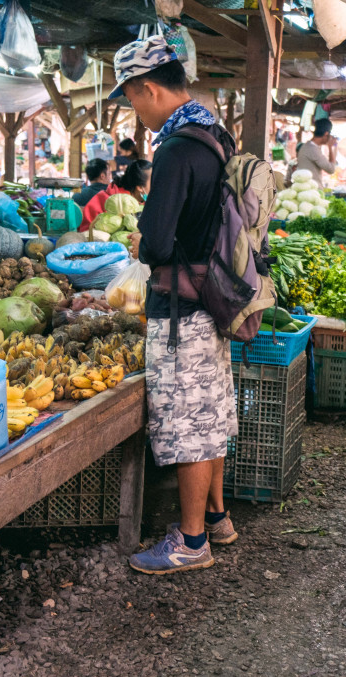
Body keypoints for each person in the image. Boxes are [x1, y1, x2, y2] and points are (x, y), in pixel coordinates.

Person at [113, 36, 238, 575]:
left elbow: (159, 243)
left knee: (188, 425)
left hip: (180, 307)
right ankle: (217, 520)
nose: (135, 111)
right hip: (212, 298)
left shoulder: (175, 148)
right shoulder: (212, 134)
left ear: (148, 88)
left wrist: (143, 241)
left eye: (133, 99)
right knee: (210, 415)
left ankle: (190, 543)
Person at [81, 159, 152, 230]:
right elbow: (87, 231)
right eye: (153, 182)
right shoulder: (105, 199)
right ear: (140, 187)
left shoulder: (147, 203)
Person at [295, 119, 336, 187]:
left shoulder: (308, 146)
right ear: (326, 134)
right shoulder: (312, 149)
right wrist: (330, 147)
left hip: (307, 189)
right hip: (310, 191)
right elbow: (331, 169)